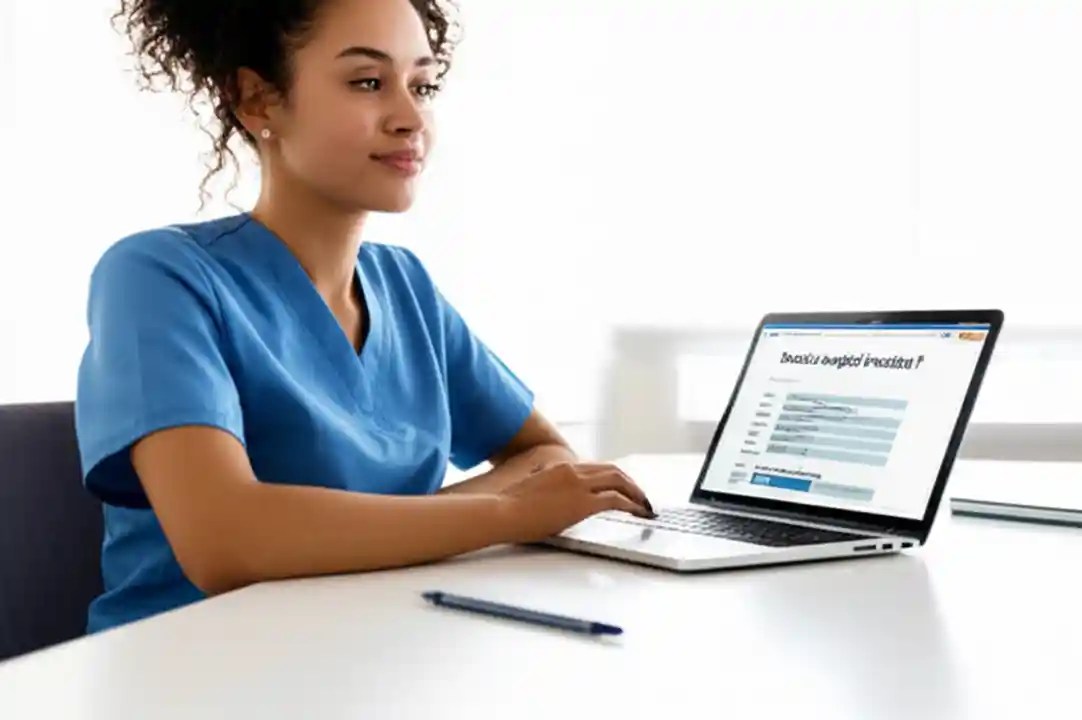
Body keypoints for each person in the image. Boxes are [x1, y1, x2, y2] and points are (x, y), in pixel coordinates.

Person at [75, 0, 653, 634]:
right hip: (190, 667)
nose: (411, 119)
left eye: (422, 85)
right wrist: (505, 514)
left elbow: (545, 457)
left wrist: (417, 524)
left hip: (379, 643)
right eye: (368, 83)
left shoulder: (405, 285)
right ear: (258, 100)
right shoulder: (156, 276)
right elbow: (225, 540)